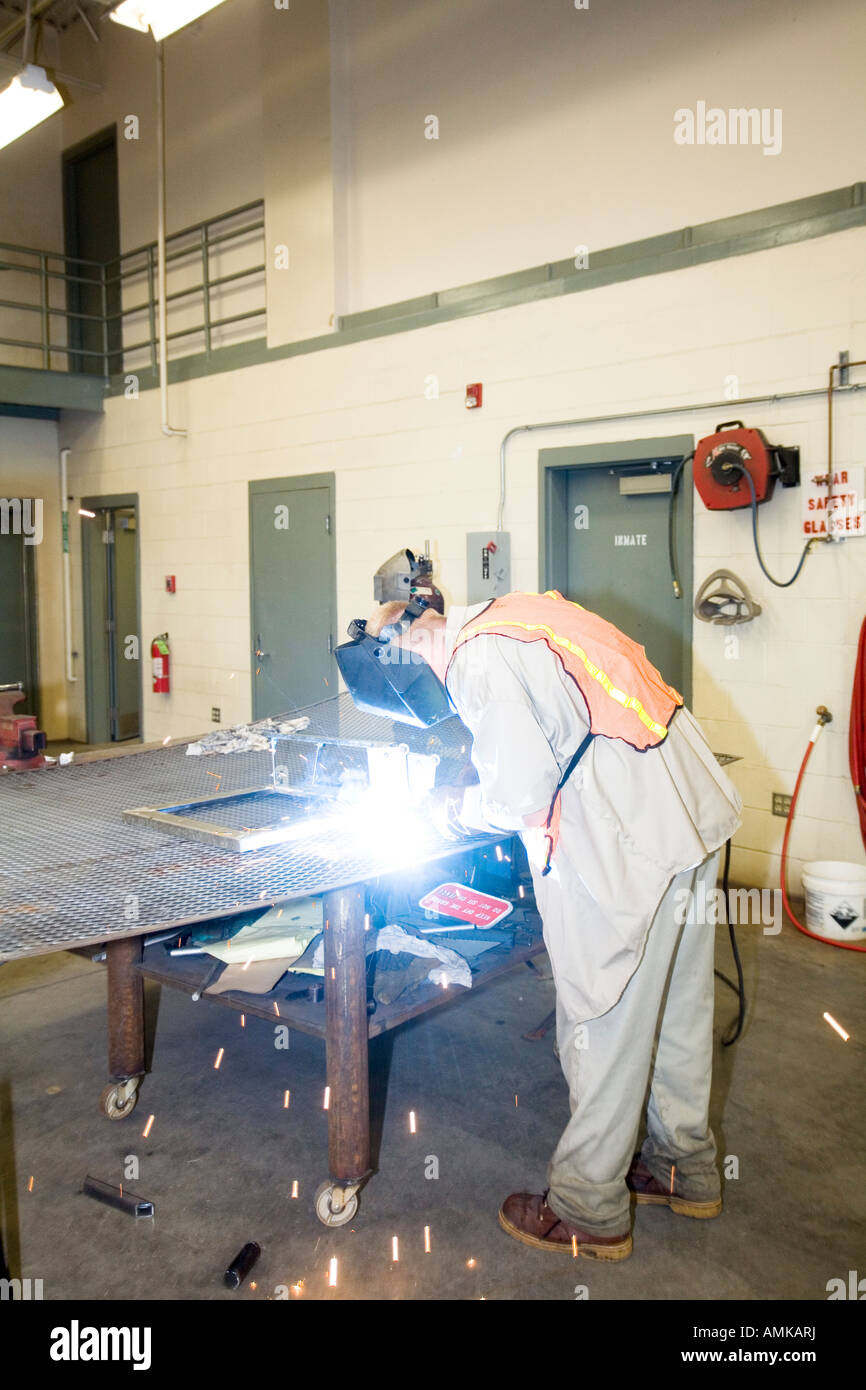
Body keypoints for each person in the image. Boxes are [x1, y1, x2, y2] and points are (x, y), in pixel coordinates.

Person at [365, 590, 742, 1261]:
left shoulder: (475, 662)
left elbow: (519, 798)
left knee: (603, 1017)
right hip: (688, 809)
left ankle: (589, 1207)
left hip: (630, 837)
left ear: (409, 661)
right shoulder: (512, 615)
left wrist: (449, 811)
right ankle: (684, 1169)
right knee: (680, 1011)